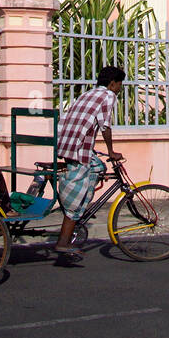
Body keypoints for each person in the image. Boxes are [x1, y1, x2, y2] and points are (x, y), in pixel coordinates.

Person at [54, 66, 125, 267]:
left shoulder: (88, 94)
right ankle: (63, 241)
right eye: (120, 84)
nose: (120, 88)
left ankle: (80, 213)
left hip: (66, 145)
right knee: (77, 197)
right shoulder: (108, 96)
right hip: (78, 151)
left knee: (98, 168)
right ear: (113, 83)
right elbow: (105, 126)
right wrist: (111, 151)